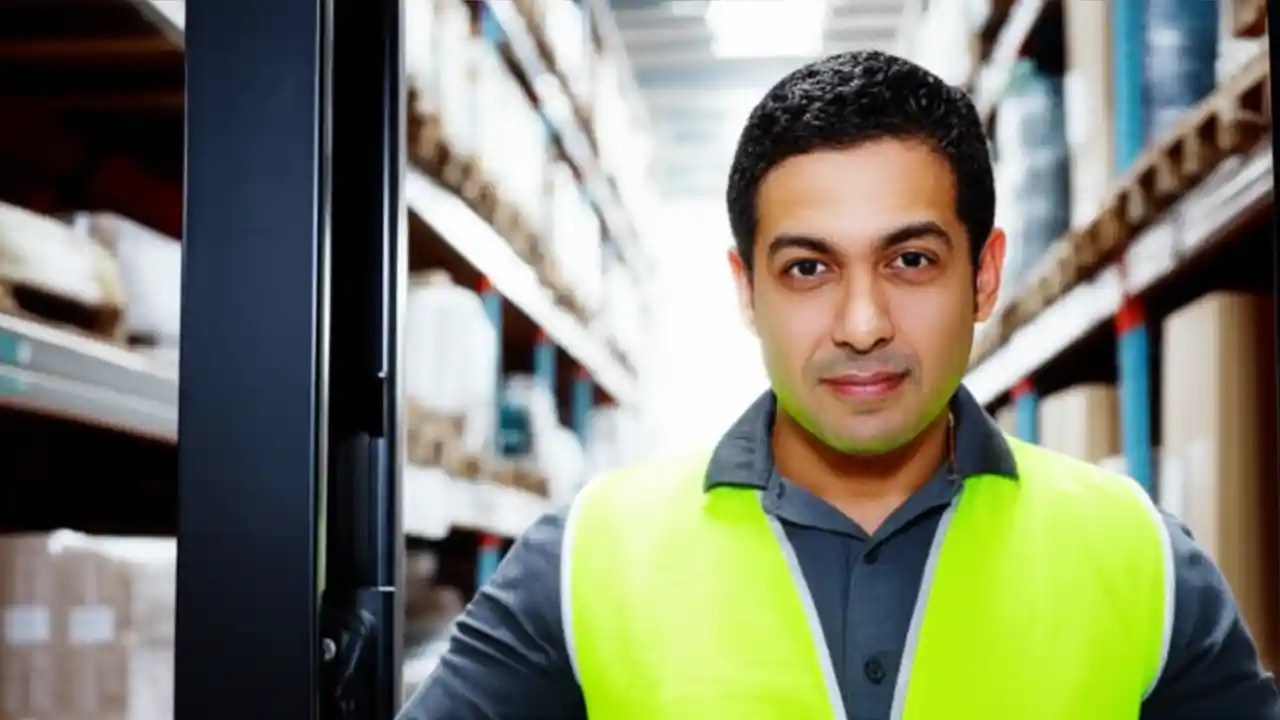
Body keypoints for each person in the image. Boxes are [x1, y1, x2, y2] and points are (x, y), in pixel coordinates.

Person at [399, 51, 1280, 719]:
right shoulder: (583, 561)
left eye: (909, 259)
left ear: (984, 276)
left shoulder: (1145, 564)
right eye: (809, 268)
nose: (862, 323)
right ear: (748, 289)